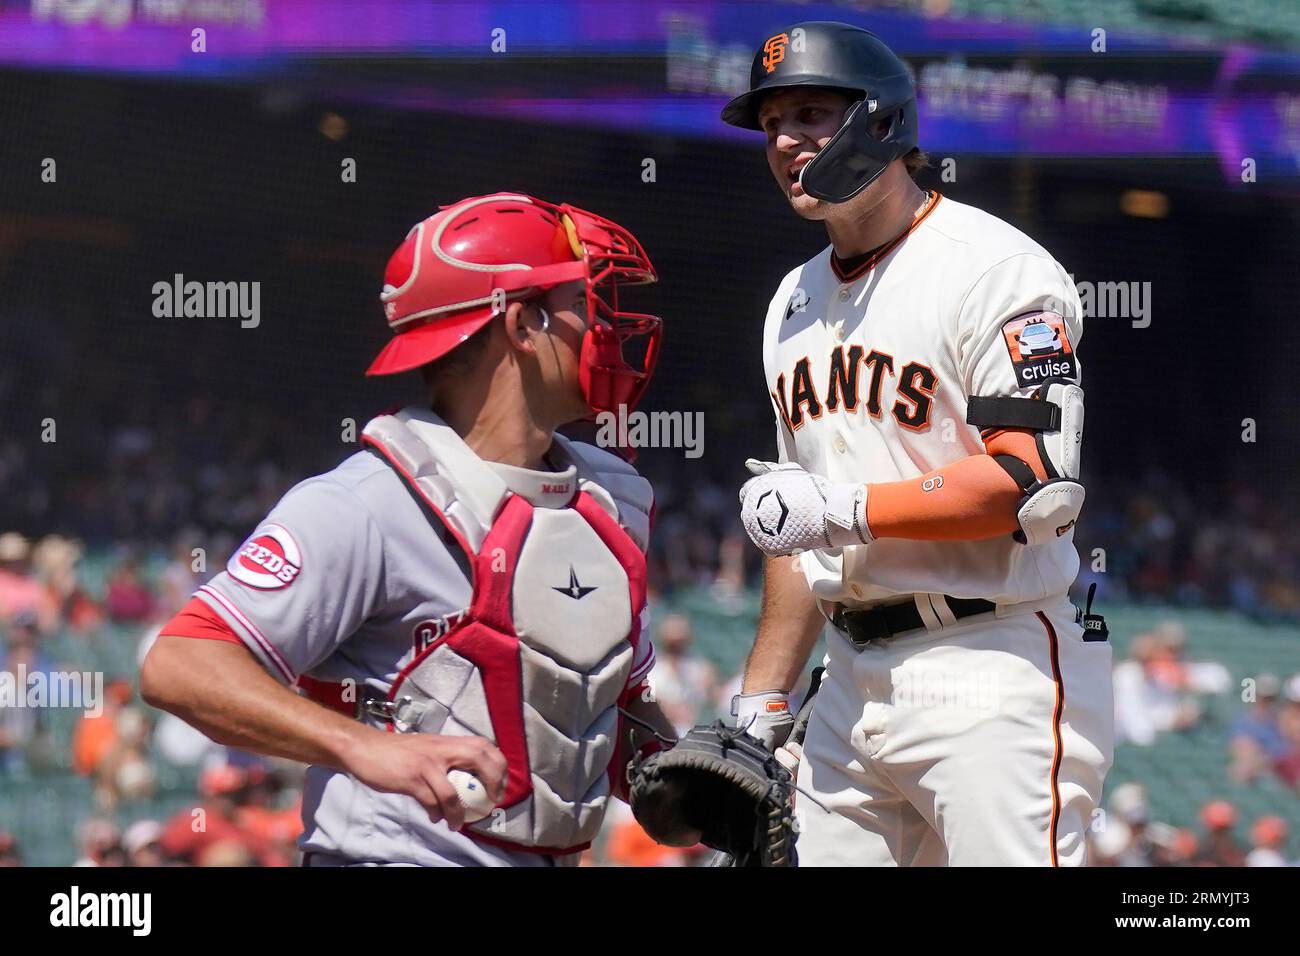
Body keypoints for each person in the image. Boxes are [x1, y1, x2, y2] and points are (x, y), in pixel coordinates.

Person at [141, 193, 676, 866]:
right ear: (522, 324)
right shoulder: (371, 501)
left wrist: (685, 777)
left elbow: (603, 706)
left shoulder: (616, 498)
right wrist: (364, 745)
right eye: (584, 301)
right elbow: (181, 664)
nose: (608, 324)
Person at [722, 21, 1112, 866]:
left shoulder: (994, 269)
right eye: (772, 123)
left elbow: (1028, 479)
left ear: (882, 122)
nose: (786, 139)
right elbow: (801, 521)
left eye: (811, 113)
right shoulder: (792, 299)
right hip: (846, 680)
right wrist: (762, 700)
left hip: (987, 661)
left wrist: (846, 509)